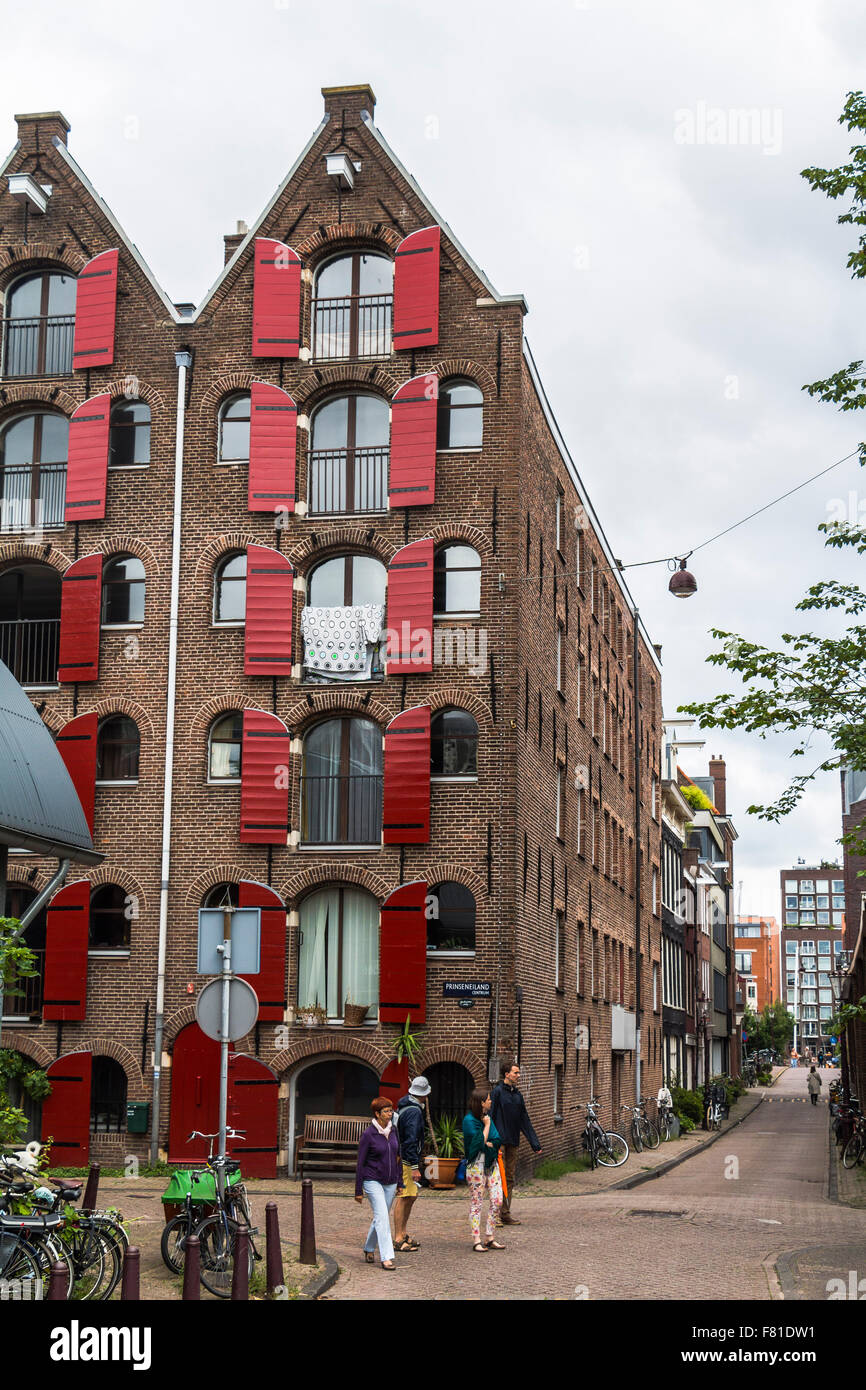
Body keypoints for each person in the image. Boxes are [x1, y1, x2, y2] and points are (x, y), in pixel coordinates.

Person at [355, 1097, 403, 1270]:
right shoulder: (369, 1134)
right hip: (372, 1179)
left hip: (390, 1181)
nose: (390, 1114)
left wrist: (400, 1182)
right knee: (383, 1216)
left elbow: (398, 1157)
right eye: (386, 1111)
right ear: (377, 1114)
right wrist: (358, 1189)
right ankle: (387, 1257)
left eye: (391, 1110)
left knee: (379, 1218)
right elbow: (360, 1162)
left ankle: (369, 1248)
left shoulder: (394, 1130)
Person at [490, 1061, 541, 1225]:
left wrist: (535, 1143)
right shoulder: (497, 1092)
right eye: (516, 1073)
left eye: (519, 1073)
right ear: (507, 1074)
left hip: (513, 1140)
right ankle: (496, 1214)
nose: (518, 1076)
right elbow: (489, 1116)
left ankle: (505, 1212)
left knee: (510, 1177)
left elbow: (524, 1119)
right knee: (499, 1177)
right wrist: (490, 1139)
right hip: (499, 1142)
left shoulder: (518, 1095)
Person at [462, 1088, 505, 1252]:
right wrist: (486, 1128)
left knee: (497, 1200)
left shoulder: (488, 1118)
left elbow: (497, 1139)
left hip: (491, 1164)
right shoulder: (469, 1121)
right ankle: (476, 1239)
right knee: (476, 1202)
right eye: (488, 1099)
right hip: (476, 1167)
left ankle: (490, 1236)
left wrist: (488, 1141)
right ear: (481, 1102)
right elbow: (478, 1143)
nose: (491, 1101)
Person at [393, 1075, 430, 1252]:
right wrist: (414, 1166)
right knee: (404, 1196)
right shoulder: (414, 1112)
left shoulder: (405, 1106)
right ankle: (398, 1237)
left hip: (405, 1158)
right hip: (407, 1161)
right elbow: (410, 1140)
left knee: (411, 1196)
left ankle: (403, 1232)